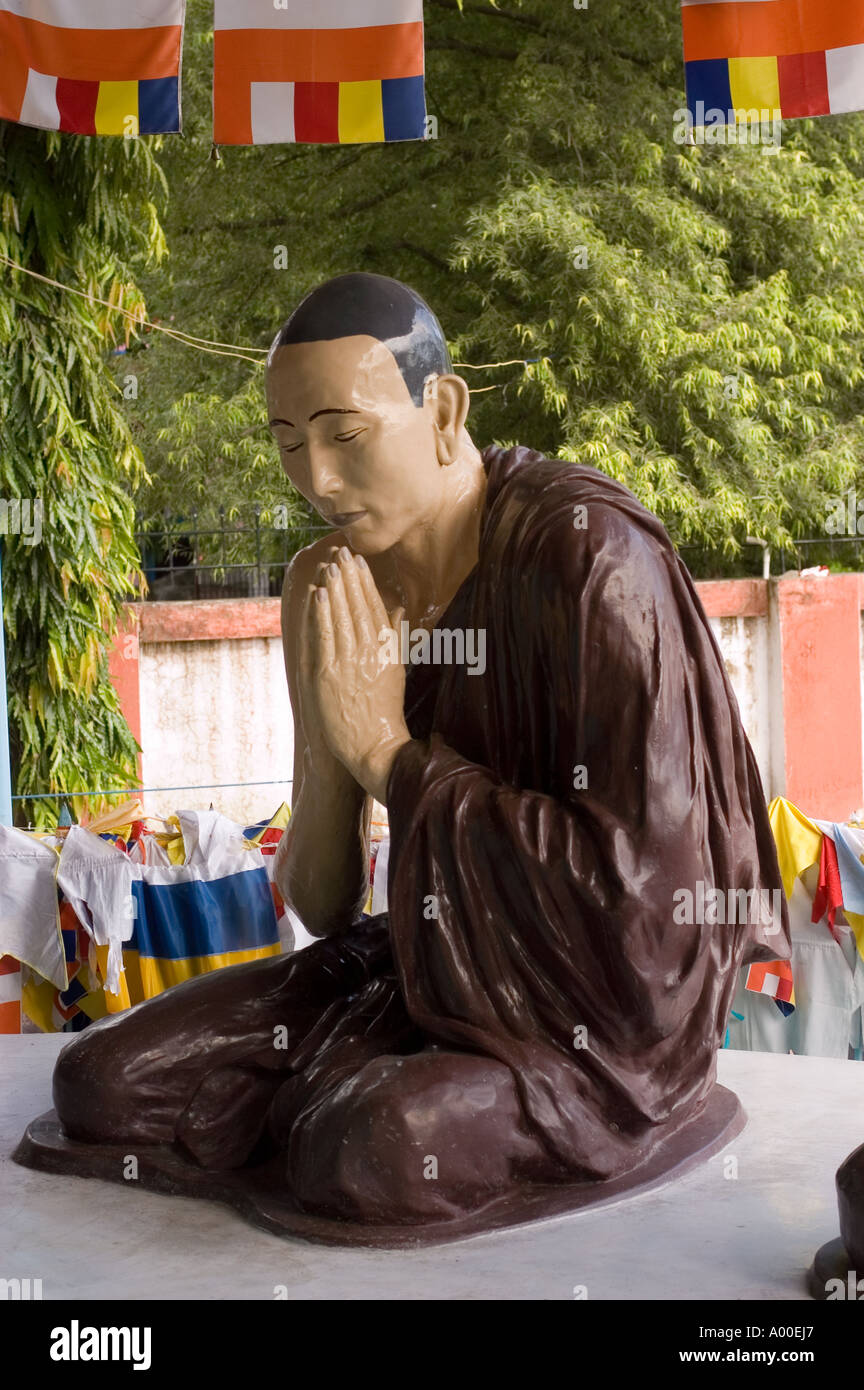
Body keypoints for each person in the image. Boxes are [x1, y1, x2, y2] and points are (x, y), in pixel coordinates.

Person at [50, 272, 790, 1234]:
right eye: (288, 446)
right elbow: (321, 906)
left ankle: (345, 1105)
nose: (315, 480)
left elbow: (651, 920)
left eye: (345, 435)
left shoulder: (588, 561)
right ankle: (334, 1093)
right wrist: (332, 728)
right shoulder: (339, 585)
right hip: (419, 965)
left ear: (441, 412)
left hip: (595, 1028)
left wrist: (394, 757)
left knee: (369, 1147)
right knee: (104, 1084)